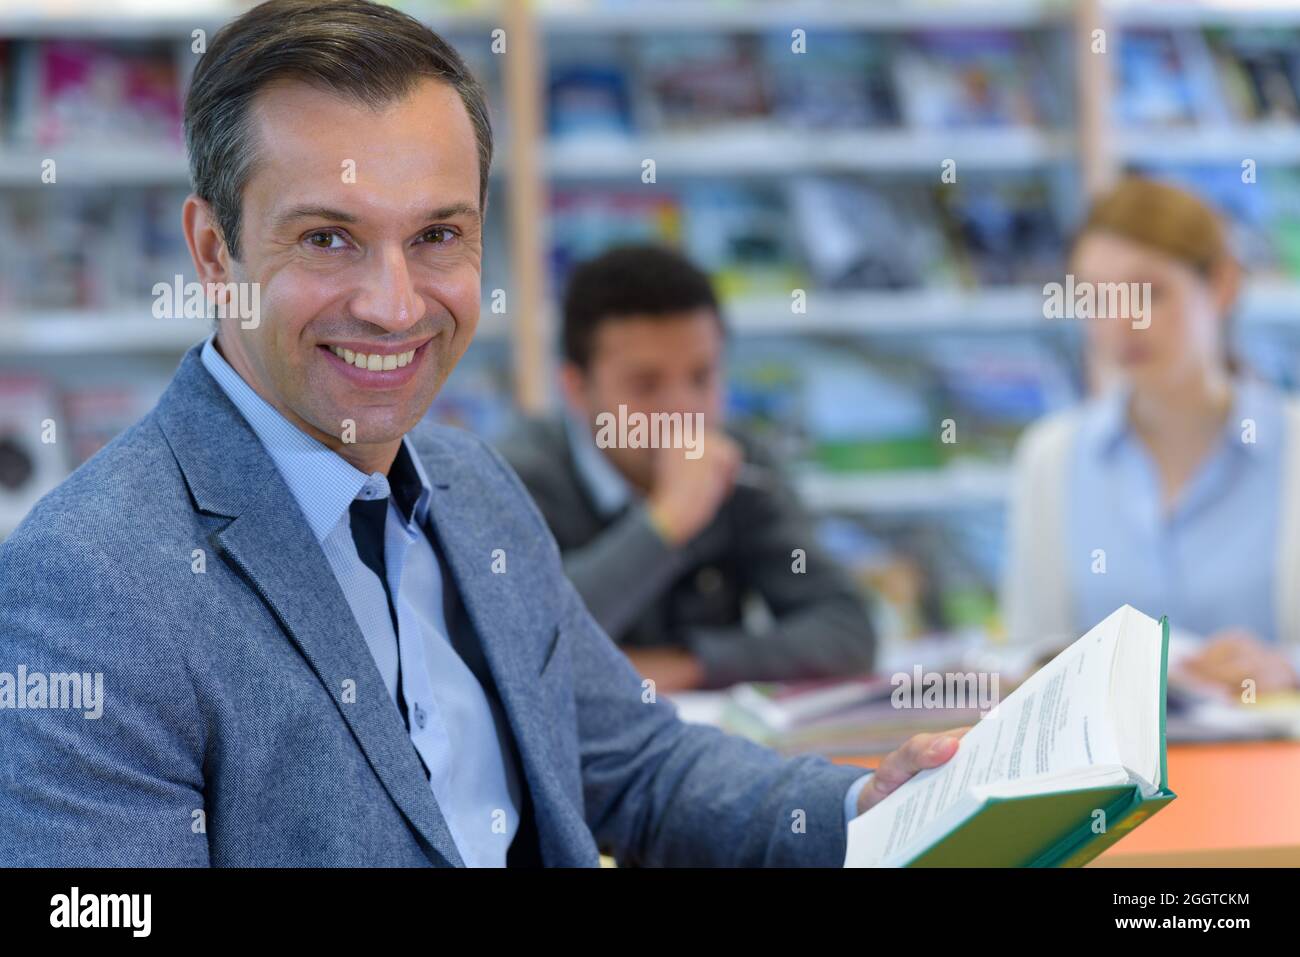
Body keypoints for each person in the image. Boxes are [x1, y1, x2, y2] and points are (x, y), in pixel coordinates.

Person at [0, 0, 963, 867]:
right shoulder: (90, 579)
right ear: (216, 252)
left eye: (437, 237)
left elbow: (636, 764)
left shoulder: (476, 488)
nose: (393, 304)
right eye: (328, 238)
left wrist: (857, 806)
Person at [498, 245, 876, 692]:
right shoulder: (514, 477)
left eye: (702, 377)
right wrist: (666, 523)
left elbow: (847, 631)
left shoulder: (742, 464)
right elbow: (522, 638)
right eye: (646, 384)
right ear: (577, 390)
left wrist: (689, 665)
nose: (682, 409)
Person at [1001, 176, 1300, 693]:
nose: (1120, 322)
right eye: (1095, 297)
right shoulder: (1051, 456)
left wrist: (1289, 670)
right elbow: (1028, 652)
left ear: (1222, 285)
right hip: (1103, 771)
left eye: (1150, 293)